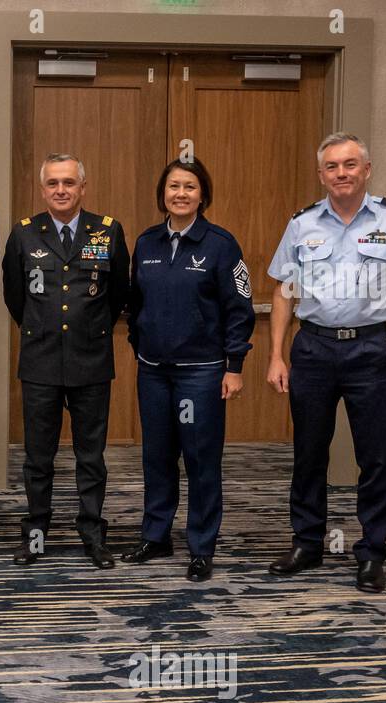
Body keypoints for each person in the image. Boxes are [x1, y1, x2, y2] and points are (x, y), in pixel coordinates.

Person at [265, 132, 386, 593]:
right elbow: (283, 292)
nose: (341, 173)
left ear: (367, 169)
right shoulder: (302, 224)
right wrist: (277, 354)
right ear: (321, 175)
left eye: (350, 165)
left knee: (375, 456)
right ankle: (307, 543)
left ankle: (372, 553)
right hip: (313, 349)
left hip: (371, 351)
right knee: (309, 452)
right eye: (332, 167)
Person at [121, 157, 254, 581]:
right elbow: (134, 304)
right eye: (174, 186)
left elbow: (239, 310)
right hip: (154, 372)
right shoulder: (147, 243)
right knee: (156, 457)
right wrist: (139, 346)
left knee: (200, 459)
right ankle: (156, 535)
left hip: (201, 373)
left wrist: (234, 367)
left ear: (203, 195)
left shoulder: (220, 243)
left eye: (190, 187)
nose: (180, 194)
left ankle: (201, 545)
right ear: (163, 193)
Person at [1, 153, 129, 569]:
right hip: (39, 362)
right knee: (38, 459)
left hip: (91, 361)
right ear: (43, 189)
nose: (61, 190)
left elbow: (117, 296)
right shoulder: (23, 234)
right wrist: (44, 329)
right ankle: (35, 536)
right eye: (53, 183)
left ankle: (93, 534)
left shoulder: (107, 231)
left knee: (90, 457)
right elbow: (15, 297)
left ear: (82, 187)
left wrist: (89, 329)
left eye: (69, 183)